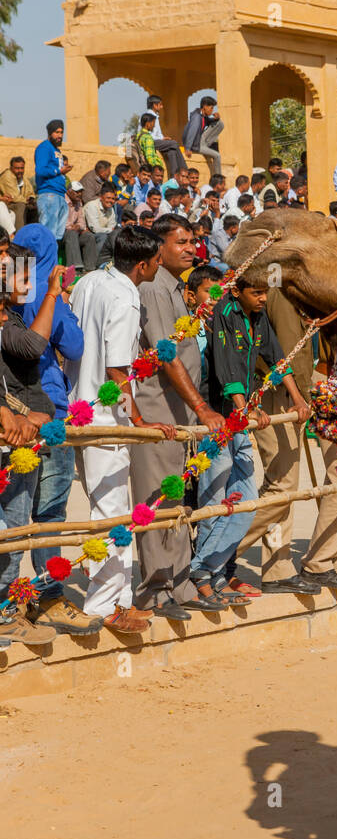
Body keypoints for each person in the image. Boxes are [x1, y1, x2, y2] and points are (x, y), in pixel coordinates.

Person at [66, 227, 173, 635]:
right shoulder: (127, 296)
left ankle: (114, 599)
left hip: (80, 409)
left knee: (105, 508)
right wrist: (138, 419)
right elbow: (116, 368)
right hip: (106, 418)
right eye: (157, 260)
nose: (159, 266)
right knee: (112, 512)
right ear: (143, 264)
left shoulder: (89, 280)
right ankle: (105, 605)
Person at [128, 216, 226, 620]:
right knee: (156, 501)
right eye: (181, 242)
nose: (190, 248)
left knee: (177, 500)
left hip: (180, 413)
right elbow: (166, 356)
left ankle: (180, 581)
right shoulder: (153, 288)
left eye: (193, 241)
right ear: (159, 248)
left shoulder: (176, 289)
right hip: (158, 412)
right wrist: (203, 407)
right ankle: (154, 589)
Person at [236, 303, 337, 594]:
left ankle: (325, 559)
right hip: (279, 386)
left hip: (331, 379)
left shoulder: (325, 278)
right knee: (283, 483)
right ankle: (229, 556)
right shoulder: (273, 283)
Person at [6, 225, 99, 636]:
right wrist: (55, 297)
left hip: (36, 415)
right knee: (33, 516)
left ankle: (30, 602)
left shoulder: (13, 301)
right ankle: (28, 604)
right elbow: (70, 348)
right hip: (34, 419)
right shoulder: (38, 293)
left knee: (28, 516)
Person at [190, 277, 286, 602]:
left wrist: (299, 401)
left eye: (265, 291)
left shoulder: (257, 317)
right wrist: (244, 411)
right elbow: (227, 370)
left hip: (239, 422)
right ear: (236, 292)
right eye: (256, 292)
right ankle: (204, 578)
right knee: (214, 503)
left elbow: (277, 359)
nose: (263, 298)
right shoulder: (221, 317)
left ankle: (211, 571)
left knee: (245, 504)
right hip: (218, 423)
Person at [0, 244, 64, 646]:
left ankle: (6, 614)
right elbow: (35, 348)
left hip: (19, 439)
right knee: (8, 530)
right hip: (11, 436)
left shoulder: (13, 317)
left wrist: (31, 415)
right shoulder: (10, 326)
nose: (29, 285)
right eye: (21, 276)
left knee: (17, 529)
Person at [34, 120, 72, 240]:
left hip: (60, 195)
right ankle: (40, 259)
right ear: (50, 133)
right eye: (57, 132)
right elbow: (40, 170)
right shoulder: (44, 147)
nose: (60, 135)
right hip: (49, 194)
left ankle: (51, 259)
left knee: (56, 238)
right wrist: (59, 171)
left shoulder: (57, 151)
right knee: (47, 235)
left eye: (62, 132)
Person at [182, 96, 224, 178]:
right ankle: (218, 179)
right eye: (211, 108)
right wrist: (187, 148)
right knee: (217, 156)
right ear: (205, 107)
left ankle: (207, 145)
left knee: (220, 123)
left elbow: (209, 122)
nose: (212, 110)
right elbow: (192, 131)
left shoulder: (203, 116)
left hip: (201, 141)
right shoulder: (197, 117)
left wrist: (216, 118)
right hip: (196, 145)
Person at [63, 182, 100, 272]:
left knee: (89, 236)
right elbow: (60, 222)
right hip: (62, 233)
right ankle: (75, 268)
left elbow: (82, 222)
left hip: (74, 231)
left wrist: (78, 226)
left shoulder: (78, 202)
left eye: (80, 192)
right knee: (71, 234)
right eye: (76, 192)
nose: (79, 194)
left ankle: (90, 268)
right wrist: (72, 227)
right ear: (69, 191)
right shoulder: (62, 201)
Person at [146, 95, 184, 177]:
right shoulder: (149, 116)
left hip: (157, 141)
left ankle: (174, 177)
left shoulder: (155, 116)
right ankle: (184, 170)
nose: (162, 107)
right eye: (160, 104)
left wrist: (163, 138)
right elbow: (149, 135)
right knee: (174, 143)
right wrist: (162, 139)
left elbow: (157, 133)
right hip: (150, 142)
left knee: (172, 152)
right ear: (154, 105)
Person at [0, 155, 36, 231]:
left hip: (20, 202)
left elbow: (30, 192)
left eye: (22, 168)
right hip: (7, 205)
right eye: (17, 168)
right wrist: (27, 201)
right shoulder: (7, 176)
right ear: (11, 168)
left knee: (35, 207)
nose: (20, 170)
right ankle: (19, 234)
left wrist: (31, 199)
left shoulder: (23, 178)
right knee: (20, 206)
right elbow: (14, 197)